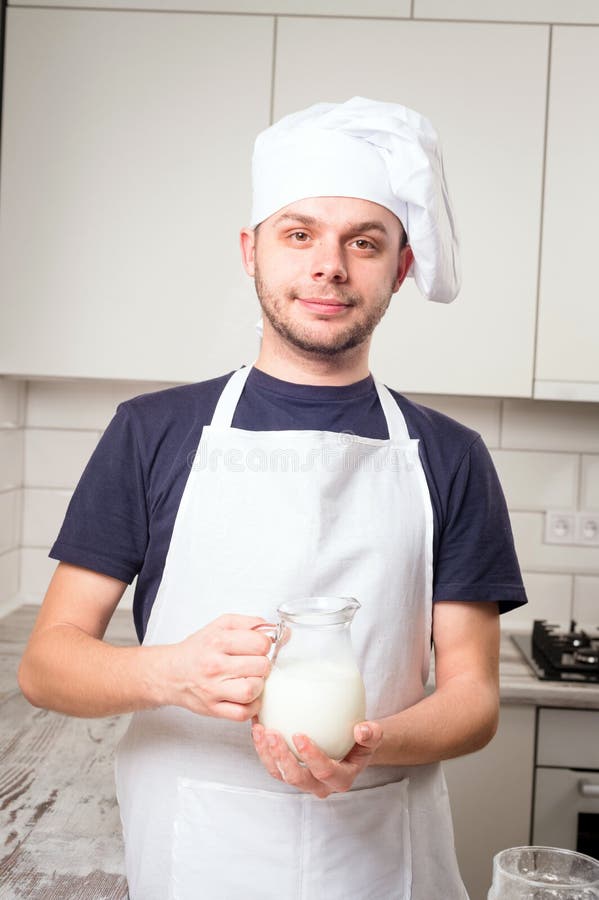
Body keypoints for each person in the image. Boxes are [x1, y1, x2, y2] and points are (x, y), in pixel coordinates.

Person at [18, 97, 527, 899]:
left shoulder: (449, 455)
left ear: (397, 268)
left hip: (379, 845)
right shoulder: (152, 430)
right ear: (252, 251)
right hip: (196, 845)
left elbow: (472, 698)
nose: (329, 265)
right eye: (300, 235)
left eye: (363, 243)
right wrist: (170, 674)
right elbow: (49, 665)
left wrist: (366, 742)